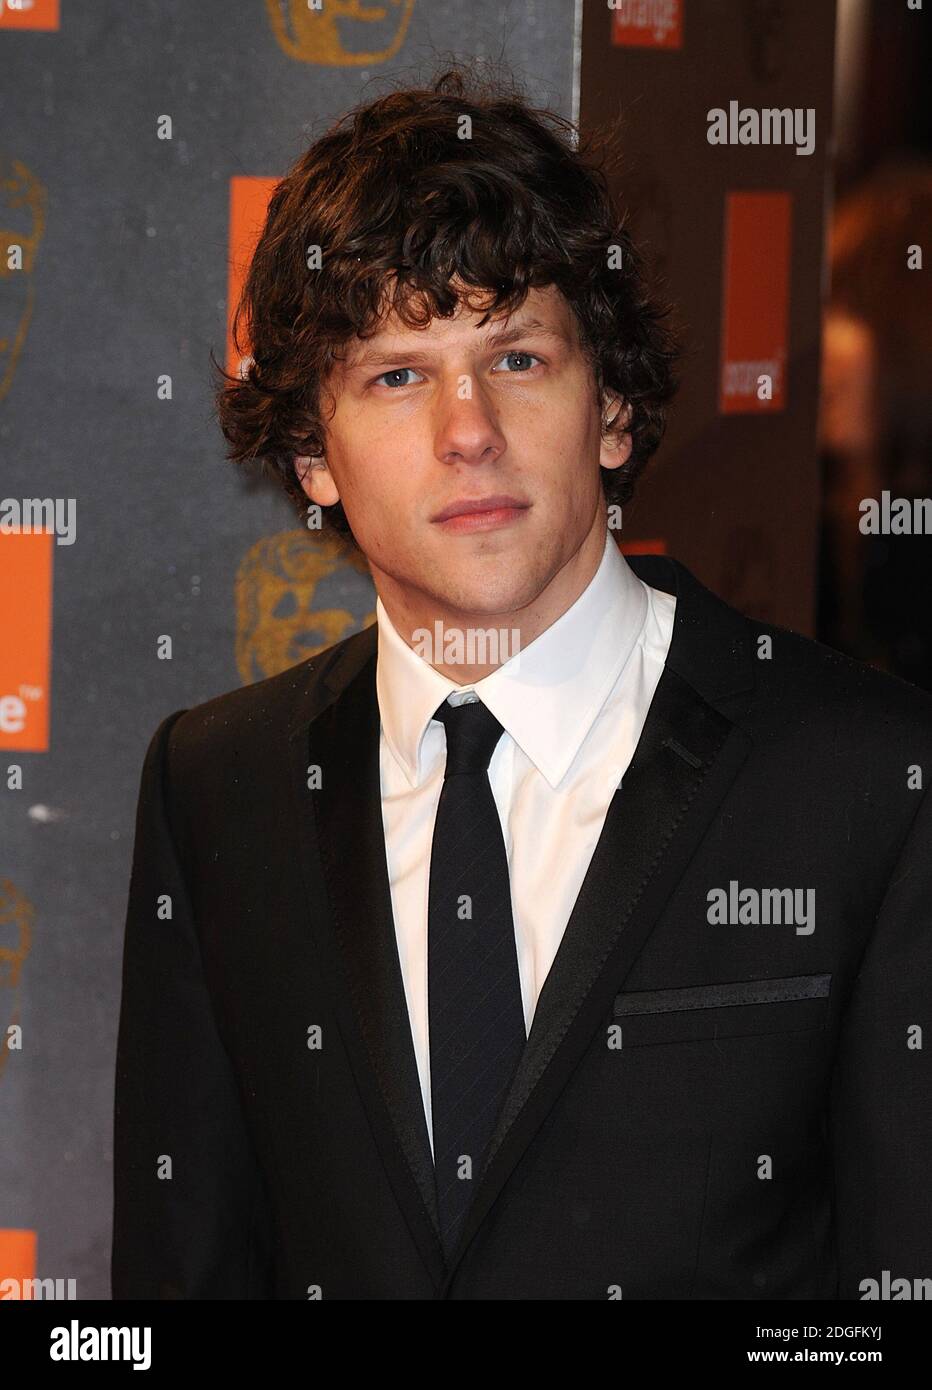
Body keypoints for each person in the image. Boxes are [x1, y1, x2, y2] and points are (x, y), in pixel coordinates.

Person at [111, 68, 932, 1300]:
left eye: (517, 356)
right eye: (396, 374)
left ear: (608, 405)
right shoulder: (217, 787)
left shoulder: (866, 775)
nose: (466, 430)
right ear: (308, 455)